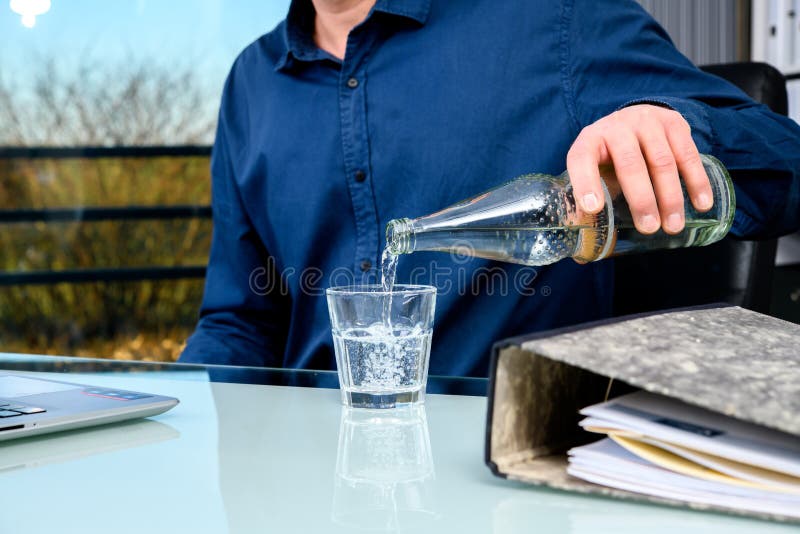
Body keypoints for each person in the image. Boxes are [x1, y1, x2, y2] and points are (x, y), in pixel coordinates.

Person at [180, 0, 800, 376]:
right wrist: (167, 406)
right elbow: (239, 320)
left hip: (504, 468)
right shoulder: (251, 84)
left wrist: (676, 134)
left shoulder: (552, 18)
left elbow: (789, 164)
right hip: (302, 471)